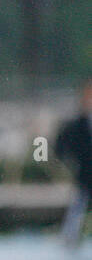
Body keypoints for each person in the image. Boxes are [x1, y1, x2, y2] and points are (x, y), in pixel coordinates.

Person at [54, 80, 92, 248]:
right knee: (77, 209)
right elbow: (61, 145)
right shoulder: (77, 124)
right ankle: (70, 239)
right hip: (85, 175)